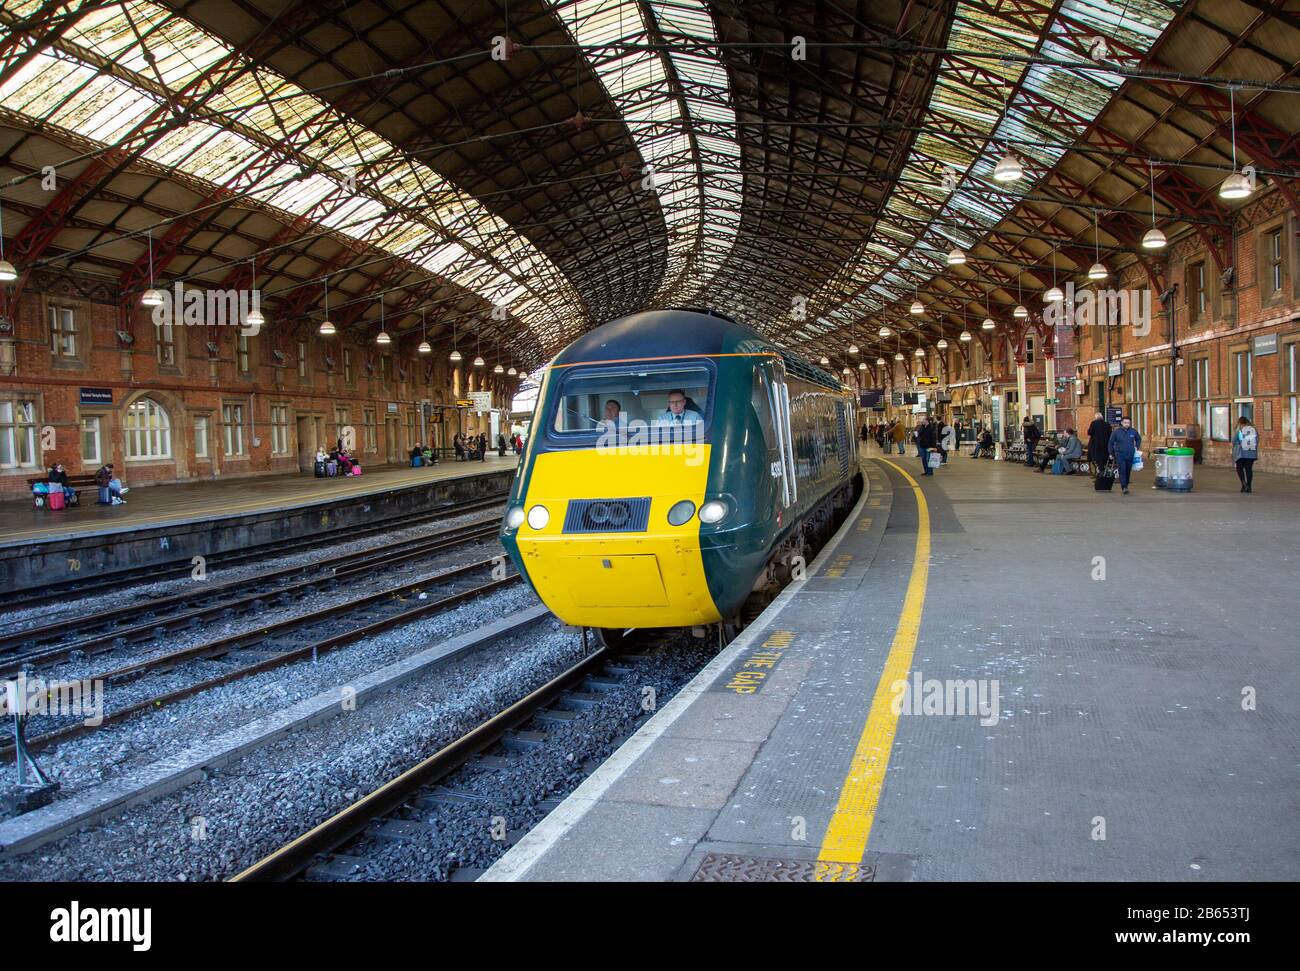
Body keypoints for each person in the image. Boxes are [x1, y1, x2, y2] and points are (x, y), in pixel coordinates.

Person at [1107, 416, 1141, 494]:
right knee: (1122, 469)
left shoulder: (1133, 431)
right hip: (1120, 454)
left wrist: (1137, 446)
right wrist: (1110, 453)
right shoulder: (1116, 432)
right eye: (1125, 423)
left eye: (1128, 423)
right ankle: (1124, 487)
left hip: (1130, 454)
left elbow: (1138, 439)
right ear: (1122, 423)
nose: (1127, 424)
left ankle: (1126, 484)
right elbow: (1110, 443)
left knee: (1128, 470)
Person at [1232, 416, 1258, 493]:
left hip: (1241, 453)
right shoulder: (1253, 430)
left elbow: (1234, 441)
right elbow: (1256, 441)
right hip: (1251, 453)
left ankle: (1244, 483)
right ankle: (1249, 486)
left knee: (1239, 468)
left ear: (1239, 423)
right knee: (1249, 469)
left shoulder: (1239, 431)